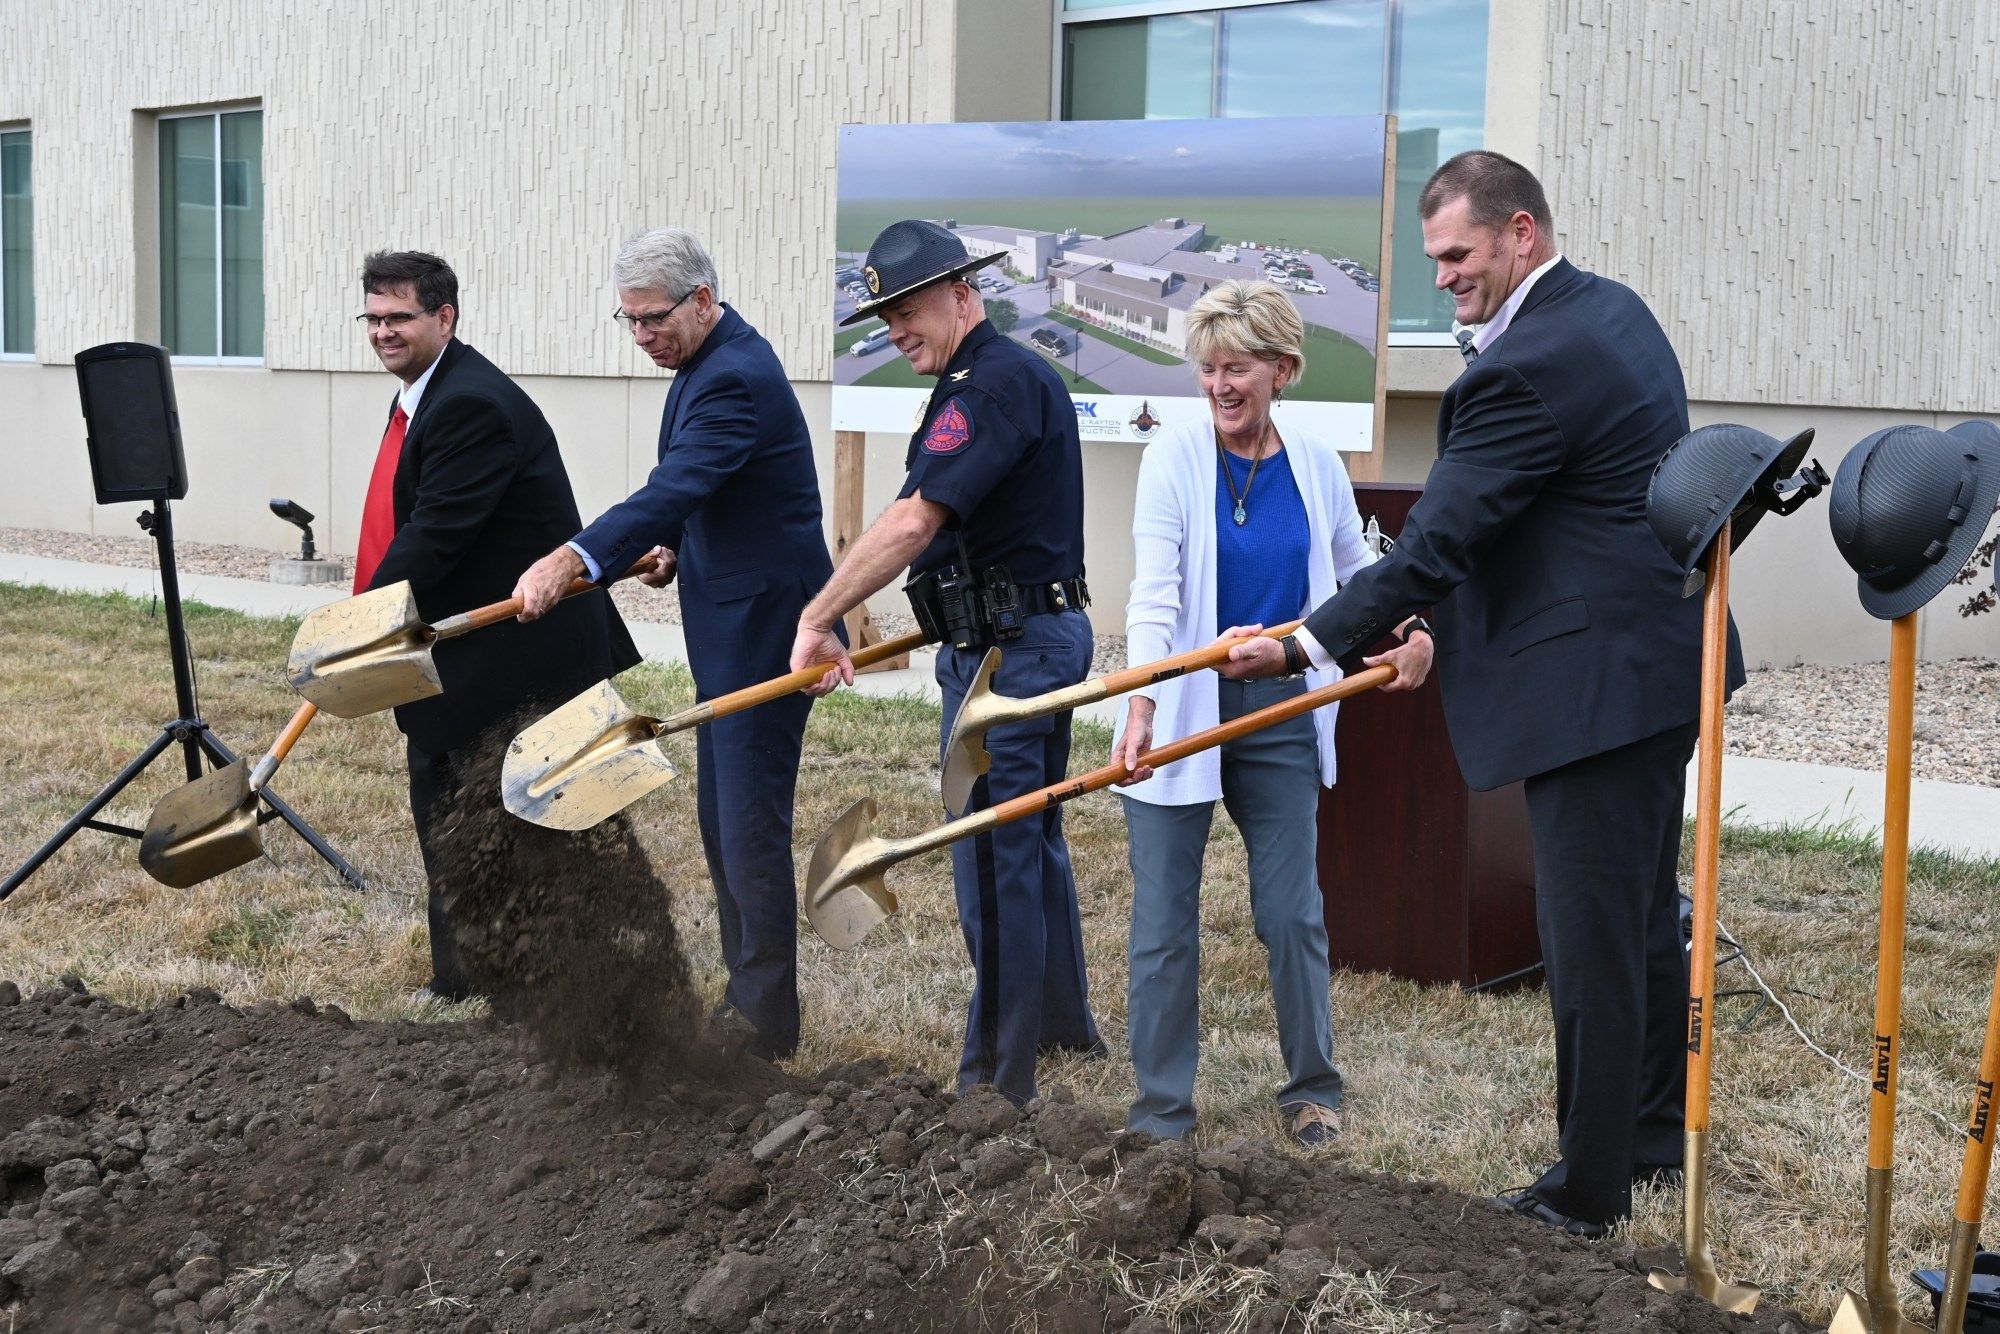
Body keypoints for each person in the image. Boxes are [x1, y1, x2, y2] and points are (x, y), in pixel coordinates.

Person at [1221, 151, 1735, 1237]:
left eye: (1458, 254)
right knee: (1640, 923)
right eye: (1434, 258)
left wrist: (1308, 643)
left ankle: (1587, 1190)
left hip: (1593, 692)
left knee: (1589, 940)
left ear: (1519, 232)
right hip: (1654, 664)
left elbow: (1441, 539)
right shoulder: (1613, 311)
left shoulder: (1525, 366)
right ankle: (1647, 1142)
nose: (1444, 276)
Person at [1109, 280, 1432, 1147]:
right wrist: (1141, 704)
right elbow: (1154, 594)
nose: (1219, 386)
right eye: (1208, 368)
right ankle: (1162, 1113)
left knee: (1292, 912)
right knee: (1164, 926)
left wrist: (1411, 629)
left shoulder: (1317, 465)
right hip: (1183, 704)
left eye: (1238, 369)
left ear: (1282, 371)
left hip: (1282, 706)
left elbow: (1362, 576)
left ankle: (1312, 1090)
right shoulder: (1172, 457)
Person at [790, 219, 1100, 1104]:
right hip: (1014, 638)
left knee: (993, 859)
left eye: (908, 310)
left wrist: (820, 615)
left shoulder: (988, 386)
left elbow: (913, 520)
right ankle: (1059, 1027)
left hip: (1011, 655)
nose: (896, 331)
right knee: (1029, 841)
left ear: (964, 295)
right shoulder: (990, 380)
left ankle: (993, 1088)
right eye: (885, 318)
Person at [513, 228, 835, 1062]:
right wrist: (679, 547)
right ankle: (745, 998)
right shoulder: (705, 360)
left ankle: (764, 1022)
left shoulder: (732, 376)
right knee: (722, 819)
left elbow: (677, 483)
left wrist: (575, 556)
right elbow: (716, 489)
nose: (641, 335)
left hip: (765, 631)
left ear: (701, 300)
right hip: (733, 618)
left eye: (653, 318)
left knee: (747, 822)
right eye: (628, 321)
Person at [353, 250, 640, 1001]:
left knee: (532, 818)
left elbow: (434, 538)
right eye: (373, 318)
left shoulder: (469, 404)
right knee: (454, 806)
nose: (383, 332)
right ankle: (471, 977)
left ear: (444, 317)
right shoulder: (430, 393)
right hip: (476, 650)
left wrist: (359, 627)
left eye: (400, 317)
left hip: (525, 654)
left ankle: (549, 980)